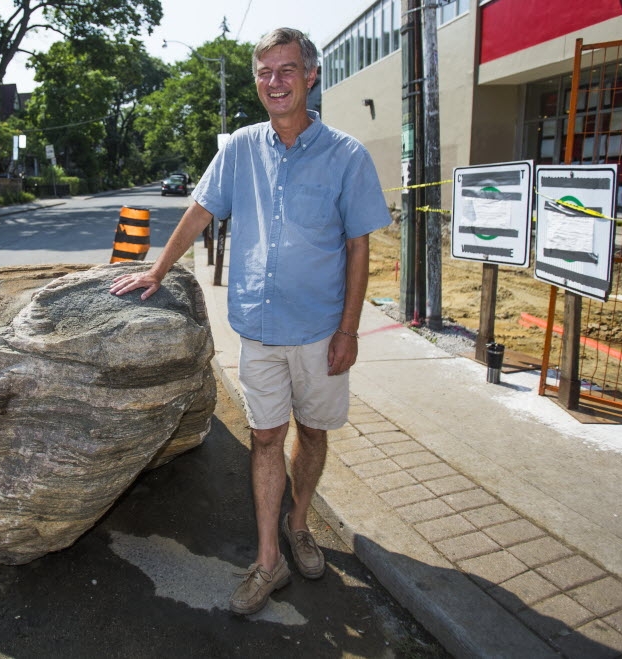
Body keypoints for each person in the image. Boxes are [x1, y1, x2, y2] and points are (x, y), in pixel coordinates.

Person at [110, 27, 392, 615]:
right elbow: (200, 210)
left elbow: (358, 248)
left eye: (286, 69)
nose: (275, 81)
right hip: (259, 330)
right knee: (265, 437)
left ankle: (299, 523)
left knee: (312, 433)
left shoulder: (346, 156)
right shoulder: (239, 148)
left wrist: (348, 331)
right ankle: (269, 560)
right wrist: (157, 270)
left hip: (321, 332)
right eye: (265, 72)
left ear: (310, 75)